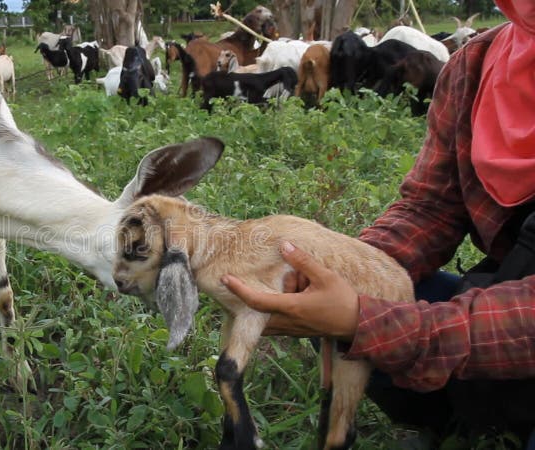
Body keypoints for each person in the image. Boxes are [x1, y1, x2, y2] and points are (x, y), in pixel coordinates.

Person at [222, 0, 535, 447]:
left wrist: (372, 323)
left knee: (359, 317)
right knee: (334, 291)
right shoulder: (477, 65)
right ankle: (459, 423)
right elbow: (431, 206)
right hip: (512, 280)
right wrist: (341, 267)